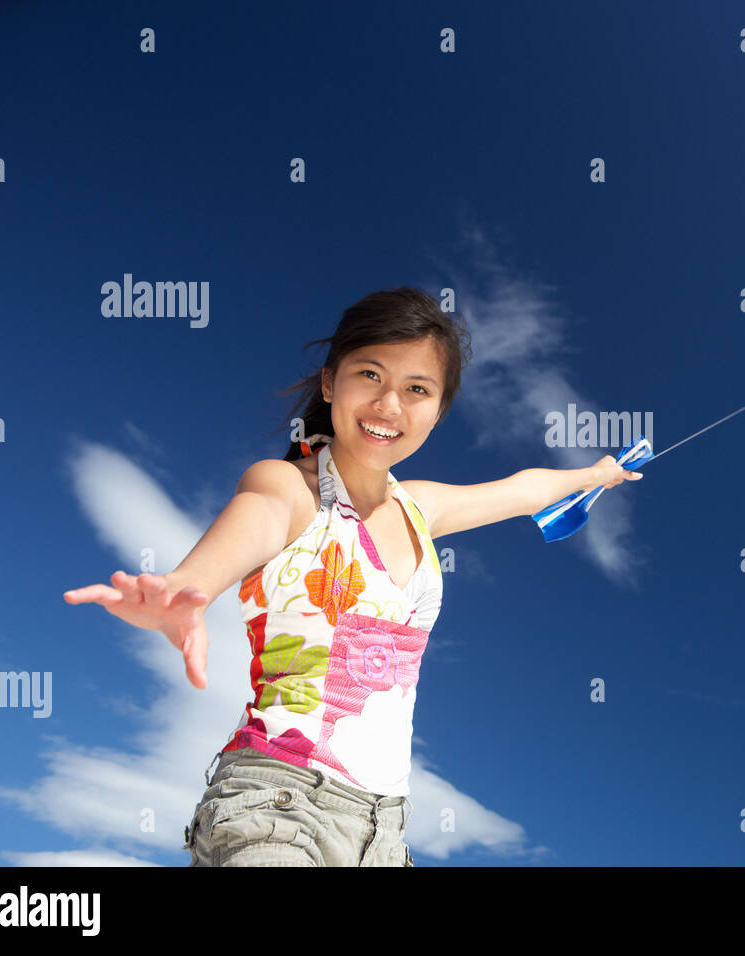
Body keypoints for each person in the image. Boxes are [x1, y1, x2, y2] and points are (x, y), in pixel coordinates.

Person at [63, 286, 642, 866]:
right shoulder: (290, 489)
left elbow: (521, 490)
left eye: (418, 389)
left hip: (385, 836)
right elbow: (255, 519)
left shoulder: (421, 508)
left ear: (436, 412)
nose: (390, 404)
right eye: (371, 374)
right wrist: (191, 586)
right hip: (279, 805)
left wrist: (595, 472)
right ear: (328, 384)